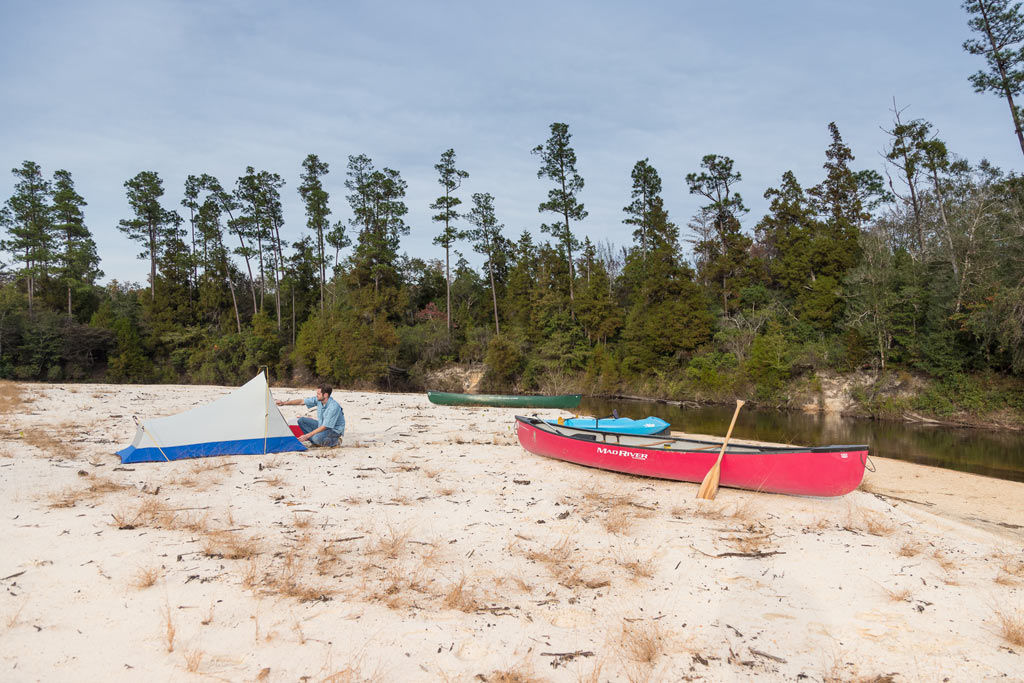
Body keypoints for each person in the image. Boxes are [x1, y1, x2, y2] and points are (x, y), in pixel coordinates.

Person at [276, 385, 345, 447]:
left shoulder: (333, 407)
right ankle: (316, 442)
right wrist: (284, 403)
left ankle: (335, 442)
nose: (316, 395)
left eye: (318, 394)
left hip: (333, 430)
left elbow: (325, 426)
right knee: (301, 420)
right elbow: (301, 401)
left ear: (326, 395)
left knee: (316, 438)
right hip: (321, 425)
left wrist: (307, 436)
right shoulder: (319, 400)